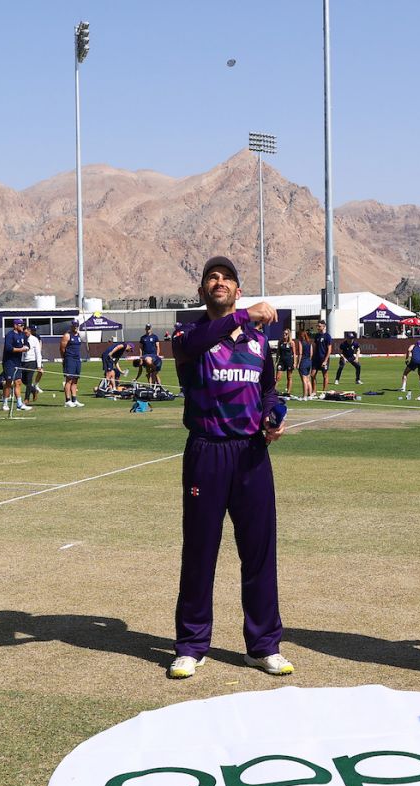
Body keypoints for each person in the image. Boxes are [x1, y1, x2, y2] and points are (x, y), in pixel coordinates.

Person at [167, 255, 293, 680]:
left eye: (227, 279)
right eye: (212, 279)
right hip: (207, 453)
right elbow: (197, 343)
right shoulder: (190, 336)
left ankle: (262, 646)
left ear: (238, 289)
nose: (219, 282)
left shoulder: (259, 342)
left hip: (251, 454)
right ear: (203, 291)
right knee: (200, 551)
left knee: (258, 552)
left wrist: (274, 416)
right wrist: (245, 314)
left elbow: (270, 390)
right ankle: (191, 645)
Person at [1, 319, 32, 411]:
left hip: (18, 362)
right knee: (9, 382)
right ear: (15, 325)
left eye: (23, 325)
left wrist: (27, 348)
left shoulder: (23, 335)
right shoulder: (10, 335)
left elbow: (27, 344)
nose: (23, 326)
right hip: (9, 362)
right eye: (20, 325)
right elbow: (8, 348)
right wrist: (21, 350)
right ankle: (5, 403)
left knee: (18, 382)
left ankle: (19, 404)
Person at [60, 318, 85, 407]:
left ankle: (74, 400)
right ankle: (67, 400)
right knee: (69, 379)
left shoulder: (78, 335)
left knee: (75, 380)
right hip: (69, 359)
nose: (75, 327)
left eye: (77, 325)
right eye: (74, 325)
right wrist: (65, 358)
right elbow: (62, 348)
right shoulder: (67, 335)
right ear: (71, 326)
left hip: (77, 359)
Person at [21, 324, 44, 403]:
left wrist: (39, 365)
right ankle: (34, 390)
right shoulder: (21, 338)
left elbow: (38, 353)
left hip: (32, 361)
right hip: (23, 362)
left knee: (29, 380)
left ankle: (26, 399)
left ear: (29, 331)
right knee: (23, 380)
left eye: (27, 332)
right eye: (24, 332)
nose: (25, 333)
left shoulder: (34, 339)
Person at [311, 320, 333, 392]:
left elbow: (329, 349)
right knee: (312, 375)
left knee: (325, 375)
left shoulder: (327, 336)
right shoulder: (317, 336)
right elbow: (315, 347)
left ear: (324, 327)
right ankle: (314, 392)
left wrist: (325, 360)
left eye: (319, 326)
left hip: (323, 359)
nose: (318, 327)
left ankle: (324, 392)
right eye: (317, 326)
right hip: (316, 359)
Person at [275, 328, 297, 397]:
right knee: (278, 377)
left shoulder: (291, 343)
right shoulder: (280, 342)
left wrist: (295, 363)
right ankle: (273, 390)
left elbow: (294, 353)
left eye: (286, 334)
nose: (284, 335)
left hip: (289, 361)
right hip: (281, 361)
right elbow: (278, 352)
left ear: (289, 335)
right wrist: (276, 361)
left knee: (289, 377)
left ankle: (288, 392)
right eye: (284, 333)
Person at [296, 329, 314, 398]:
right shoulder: (310, 343)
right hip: (309, 362)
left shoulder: (301, 342)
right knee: (308, 379)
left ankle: (305, 395)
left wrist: (298, 363)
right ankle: (310, 394)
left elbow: (300, 353)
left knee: (304, 380)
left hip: (303, 362)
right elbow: (311, 354)